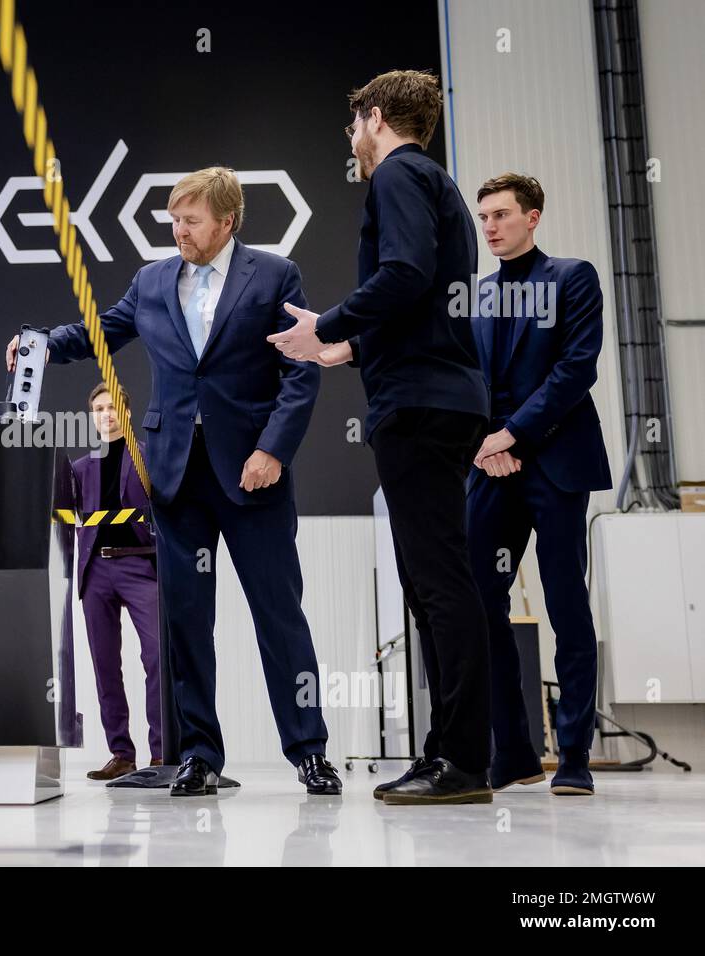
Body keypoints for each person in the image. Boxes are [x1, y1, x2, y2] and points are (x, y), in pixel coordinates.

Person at [10, 166, 340, 797]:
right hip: (175, 479)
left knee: (279, 616)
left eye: (191, 221)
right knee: (186, 621)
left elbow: (302, 370)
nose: (178, 232)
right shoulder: (153, 280)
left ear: (228, 221)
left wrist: (273, 449)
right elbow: (102, 334)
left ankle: (309, 751)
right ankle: (198, 755)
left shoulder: (274, 275)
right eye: (173, 220)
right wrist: (45, 343)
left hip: (254, 477)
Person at [271, 70, 492, 805]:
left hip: (421, 407)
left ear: (372, 117)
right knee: (435, 589)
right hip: (437, 395)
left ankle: (461, 760)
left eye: (353, 127)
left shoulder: (397, 175)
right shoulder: (436, 182)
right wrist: (353, 351)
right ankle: (447, 754)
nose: (352, 141)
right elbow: (427, 298)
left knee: (439, 585)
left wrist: (326, 325)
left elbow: (403, 273)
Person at [467, 174, 611, 797]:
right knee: (477, 602)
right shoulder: (473, 295)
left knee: (565, 605)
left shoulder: (572, 278)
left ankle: (573, 755)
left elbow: (575, 369)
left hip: (554, 465)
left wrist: (513, 436)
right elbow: (467, 378)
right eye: (483, 218)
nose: (491, 227)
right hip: (490, 465)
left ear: (533, 217)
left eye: (501, 215)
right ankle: (516, 751)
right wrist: (482, 441)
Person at [71, 383, 162, 781]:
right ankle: (121, 753)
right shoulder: (78, 469)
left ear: (125, 412)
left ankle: (162, 754)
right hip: (97, 572)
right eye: (98, 409)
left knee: (158, 657)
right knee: (105, 665)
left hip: (141, 567)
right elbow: (61, 519)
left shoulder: (148, 458)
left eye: (112, 408)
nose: (106, 415)